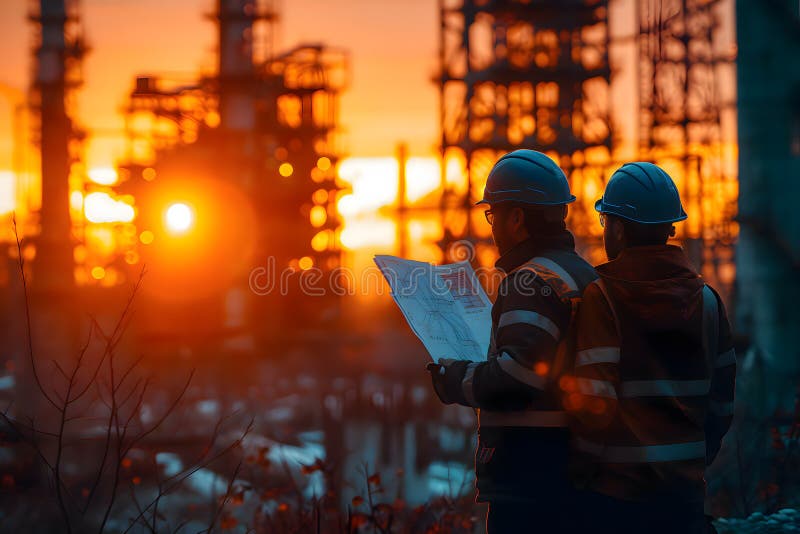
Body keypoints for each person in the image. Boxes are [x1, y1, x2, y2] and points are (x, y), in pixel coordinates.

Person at [427, 149, 597, 533]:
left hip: (530, 476)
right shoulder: (584, 276)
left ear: (517, 218)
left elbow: (518, 379)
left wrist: (455, 379)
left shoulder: (530, 281)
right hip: (576, 471)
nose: (491, 226)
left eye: (494, 215)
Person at [565, 162, 736, 534]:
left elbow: (594, 404)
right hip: (684, 498)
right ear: (669, 228)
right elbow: (722, 405)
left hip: (618, 500)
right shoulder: (708, 301)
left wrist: (581, 477)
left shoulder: (603, 298)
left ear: (620, 230)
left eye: (606, 221)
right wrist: (689, 462)